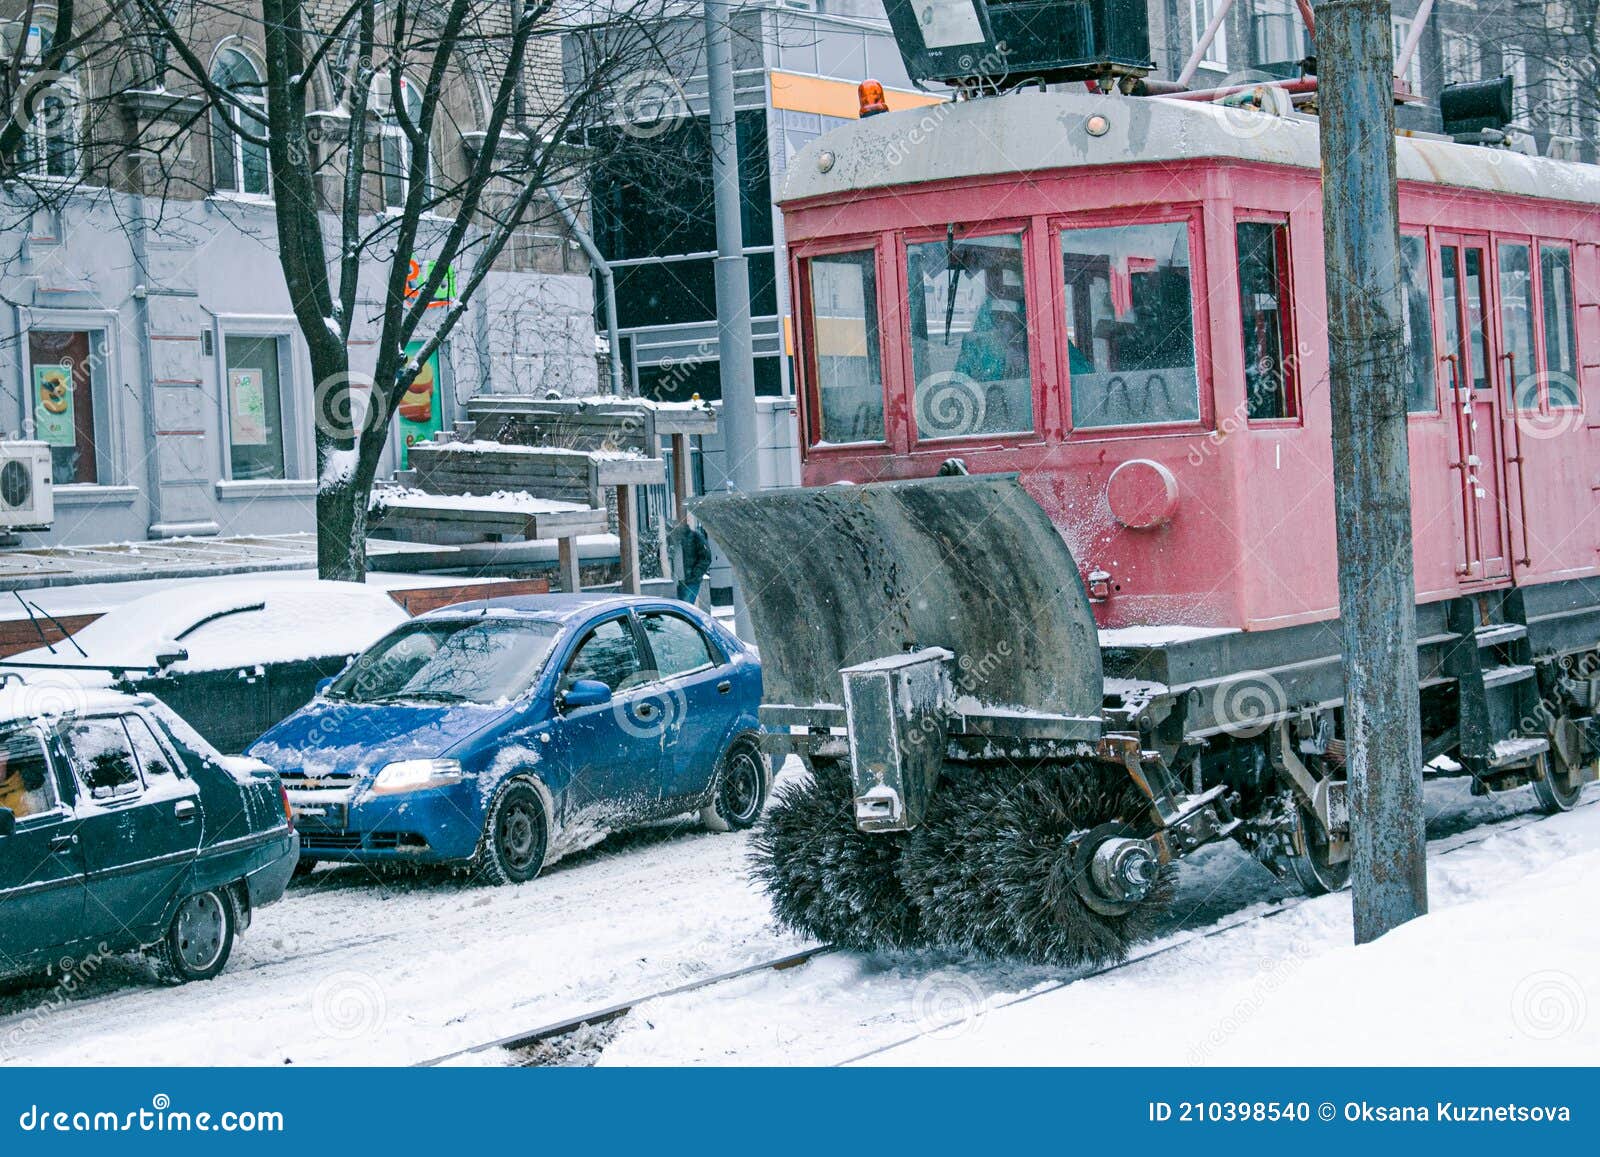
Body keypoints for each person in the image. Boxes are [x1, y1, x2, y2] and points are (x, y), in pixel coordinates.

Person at [668, 519, 713, 606]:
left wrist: (695, 573)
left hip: (691, 581)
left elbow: (706, 557)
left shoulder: (695, 536)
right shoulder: (671, 538)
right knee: (679, 609)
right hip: (676, 582)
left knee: (686, 607)